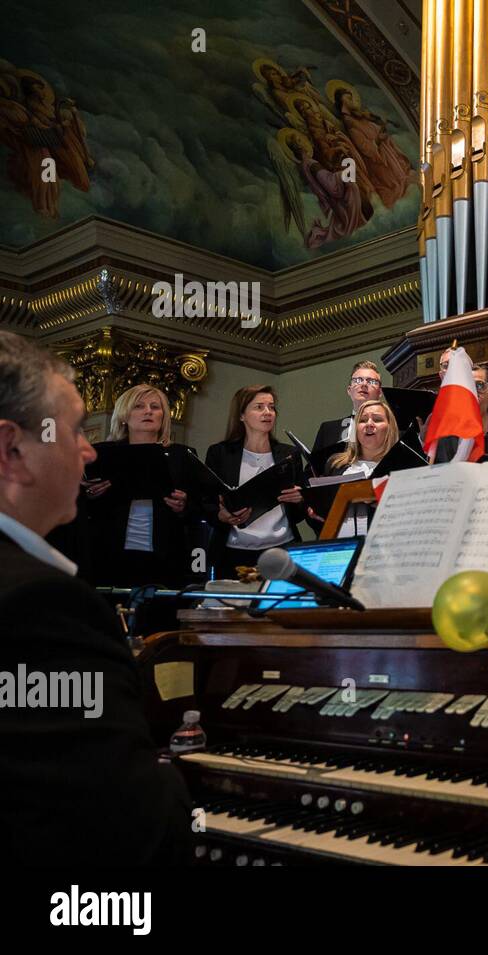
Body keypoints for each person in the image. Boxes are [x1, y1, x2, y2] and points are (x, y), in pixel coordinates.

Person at [0, 331, 191, 864]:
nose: (88, 450)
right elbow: (134, 825)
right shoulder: (43, 606)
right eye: (75, 430)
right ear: (11, 449)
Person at [79, 384, 196, 587]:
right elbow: (78, 504)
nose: (148, 411)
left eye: (155, 407)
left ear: (163, 417)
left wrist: (184, 505)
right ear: (124, 415)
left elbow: (199, 507)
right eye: (139, 406)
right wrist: (89, 494)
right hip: (110, 552)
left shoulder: (182, 455)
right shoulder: (101, 453)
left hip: (164, 554)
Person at [203, 385, 306, 578]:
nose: (268, 412)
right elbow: (205, 502)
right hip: (232, 551)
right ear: (242, 415)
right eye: (259, 407)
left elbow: (299, 514)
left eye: (271, 407)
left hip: (281, 549)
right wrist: (221, 515)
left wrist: (298, 499)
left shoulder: (289, 454)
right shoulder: (220, 453)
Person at [308, 398, 398, 537]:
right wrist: (315, 512)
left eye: (377, 419)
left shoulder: (401, 467)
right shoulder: (335, 464)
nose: (369, 424)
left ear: (390, 427)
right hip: (340, 549)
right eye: (362, 420)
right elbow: (323, 518)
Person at [311, 359, 384, 457]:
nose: (364, 384)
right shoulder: (328, 430)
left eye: (371, 381)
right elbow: (312, 470)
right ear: (349, 390)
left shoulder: (392, 428)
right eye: (358, 380)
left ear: (380, 392)